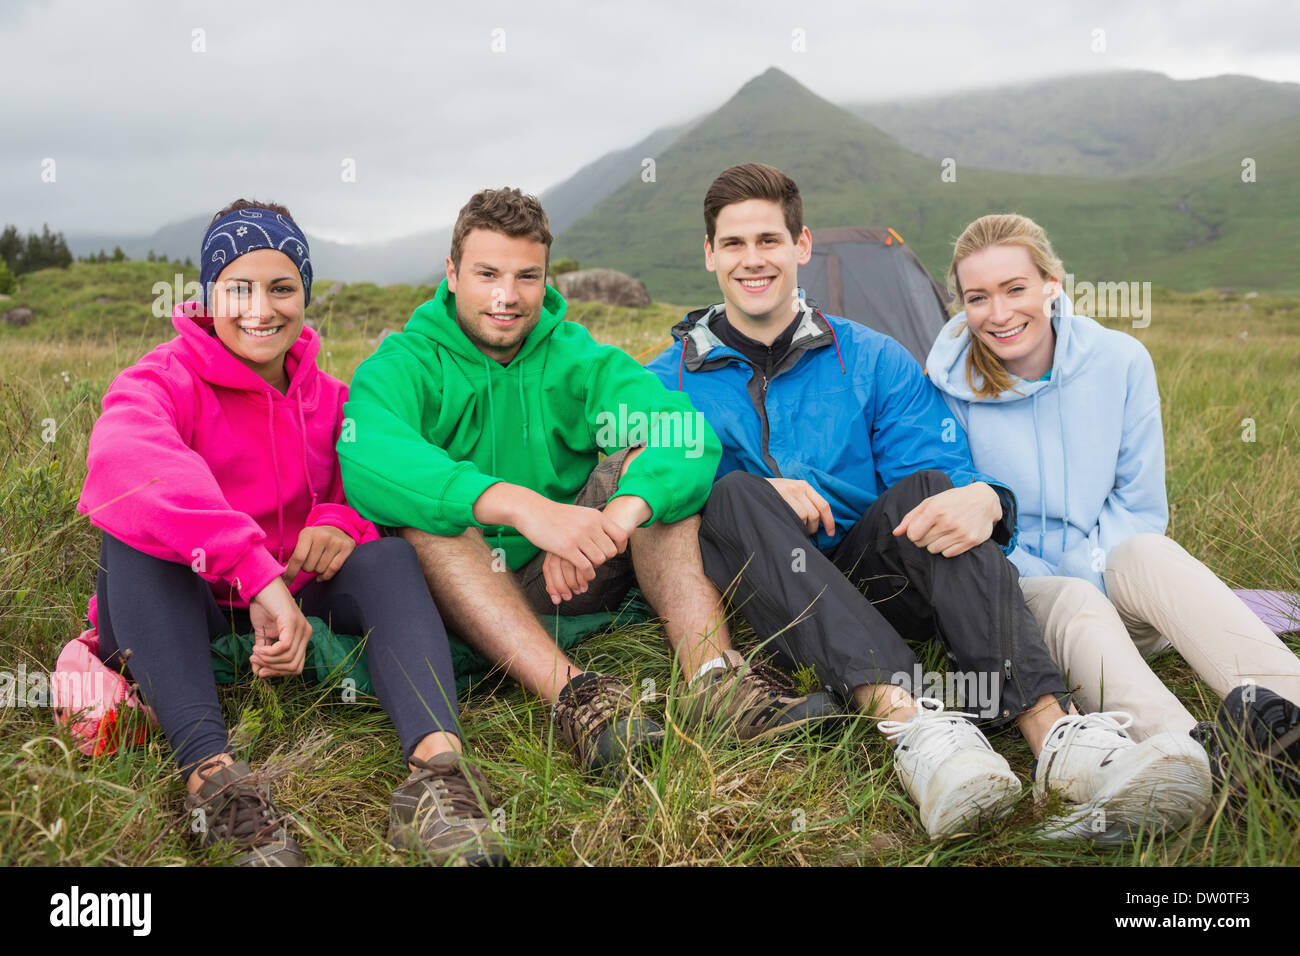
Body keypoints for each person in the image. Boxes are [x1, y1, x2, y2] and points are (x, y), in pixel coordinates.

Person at [645, 163, 1211, 841]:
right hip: (768, 589)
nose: (751, 259)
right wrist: (753, 492)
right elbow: (639, 502)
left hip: (873, 575)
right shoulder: (661, 381)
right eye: (733, 244)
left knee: (935, 492)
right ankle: (921, 731)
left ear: (802, 246)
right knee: (734, 493)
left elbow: (939, 473)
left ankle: (1058, 739)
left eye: (769, 240)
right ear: (709, 255)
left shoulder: (874, 358)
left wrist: (987, 500)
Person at [337, 187, 838, 775]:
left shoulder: (576, 357)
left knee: (651, 474)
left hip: (575, 569)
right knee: (425, 518)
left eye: (527, 277)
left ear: (547, 278)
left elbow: (683, 433)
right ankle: (580, 700)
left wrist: (618, 514)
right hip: (461, 585)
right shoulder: (406, 363)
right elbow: (367, 455)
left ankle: (715, 680)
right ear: (452, 273)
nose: (507, 297)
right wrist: (521, 508)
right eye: (487, 274)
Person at [78, 200, 504, 867]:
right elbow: (125, 465)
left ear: (304, 293)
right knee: (131, 538)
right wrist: (252, 570)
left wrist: (343, 519)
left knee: (389, 557)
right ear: (208, 295)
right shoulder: (162, 379)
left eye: (281, 288)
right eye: (238, 288)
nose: (261, 309)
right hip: (190, 602)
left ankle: (439, 780)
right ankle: (217, 786)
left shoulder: (333, 399)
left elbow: (374, 481)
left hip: (304, 594)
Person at [925, 211, 1300, 747]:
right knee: (1074, 602)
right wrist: (1073, 587)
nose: (999, 312)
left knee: (1150, 552)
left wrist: (1090, 572)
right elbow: (968, 523)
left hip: (1113, 581)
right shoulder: (942, 389)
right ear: (962, 304)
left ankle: (1290, 711)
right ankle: (1191, 756)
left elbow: (1141, 505)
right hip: (1027, 606)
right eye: (978, 297)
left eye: (1015, 288)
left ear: (1052, 285)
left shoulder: (1121, 361)